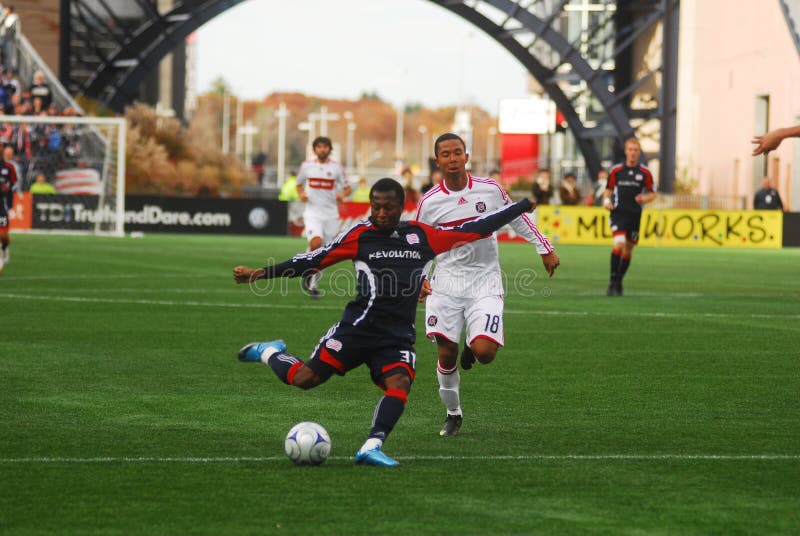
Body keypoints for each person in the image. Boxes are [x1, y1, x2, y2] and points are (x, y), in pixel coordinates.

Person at [233, 178, 539, 466]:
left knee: (399, 383)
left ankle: (372, 446)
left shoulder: (421, 236)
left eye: (387, 207)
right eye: (375, 206)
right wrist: (260, 273)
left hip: (396, 337)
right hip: (357, 330)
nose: (380, 213)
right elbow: (312, 261)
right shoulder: (359, 237)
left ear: (400, 207)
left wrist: (520, 206)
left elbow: (477, 227)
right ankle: (269, 351)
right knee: (305, 379)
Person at [415, 133, 559, 437]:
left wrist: (543, 247)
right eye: (445, 154)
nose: (452, 158)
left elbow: (518, 217)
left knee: (484, 353)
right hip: (447, 284)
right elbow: (421, 244)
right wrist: (420, 278)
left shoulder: (490, 190)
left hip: (484, 280)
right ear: (437, 161)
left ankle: (473, 344)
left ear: (467, 157)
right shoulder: (429, 203)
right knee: (445, 354)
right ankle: (453, 413)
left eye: (457, 152)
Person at [295, 136, 351, 298]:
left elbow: (347, 187)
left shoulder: (337, 168)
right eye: (319, 147)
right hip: (313, 213)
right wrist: (301, 195)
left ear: (330, 149)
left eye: (325, 146)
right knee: (316, 243)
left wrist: (342, 195)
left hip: (331, 215)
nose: (322, 149)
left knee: (325, 252)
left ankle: (313, 285)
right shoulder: (307, 166)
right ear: (314, 149)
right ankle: (307, 268)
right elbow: (299, 184)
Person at [602, 138, 656, 297]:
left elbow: (653, 193)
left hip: (635, 215)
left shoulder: (645, 172)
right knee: (619, 245)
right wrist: (606, 201)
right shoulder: (616, 171)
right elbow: (608, 189)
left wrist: (646, 198)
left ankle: (619, 281)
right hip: (619, 213)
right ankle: (612, 281)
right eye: (630, 149)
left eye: (635, 150)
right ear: (626, 151)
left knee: (628, 249)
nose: (632, 152)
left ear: (639, 152)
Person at [0, 143, 18, 274]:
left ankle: (5, 250)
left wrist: (11, 205)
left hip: (1, 205)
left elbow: (12, 187)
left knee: (4, 236)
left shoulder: (9, 167)